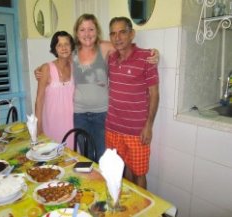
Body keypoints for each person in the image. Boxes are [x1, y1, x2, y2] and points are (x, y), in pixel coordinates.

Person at [35, 14, 159, 162]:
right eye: (82, 30)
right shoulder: (72, 53)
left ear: (97, 31)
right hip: (79, 114)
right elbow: (57, 61)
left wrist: (154, 53)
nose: (87, 34)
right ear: (77, 32)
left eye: (91, 29)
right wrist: (40, 69)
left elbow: (127, 46)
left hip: (102, 114)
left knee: (102, 157)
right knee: (84, 158)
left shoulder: (105, 47)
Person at [105, 16, 159, 189]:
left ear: (132, 34)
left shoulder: (146, 58)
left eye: (122, 32)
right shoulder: (111, 59)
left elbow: (154, 94)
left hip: (137, 131)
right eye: (113, 33)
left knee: (139, 173)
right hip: (113, 128)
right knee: (121, 169)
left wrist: (148, 125)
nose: (117, 37)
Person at [35, 31, 75, 149]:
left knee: (71, 159)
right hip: (52, 123)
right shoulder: (46, 68)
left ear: (71, 46)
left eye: (66, 44)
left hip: (72, 123)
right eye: (59, 45)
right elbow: (39, 100)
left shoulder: (75, 66)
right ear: (54, 48)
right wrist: (39, 127)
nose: (63, 48)